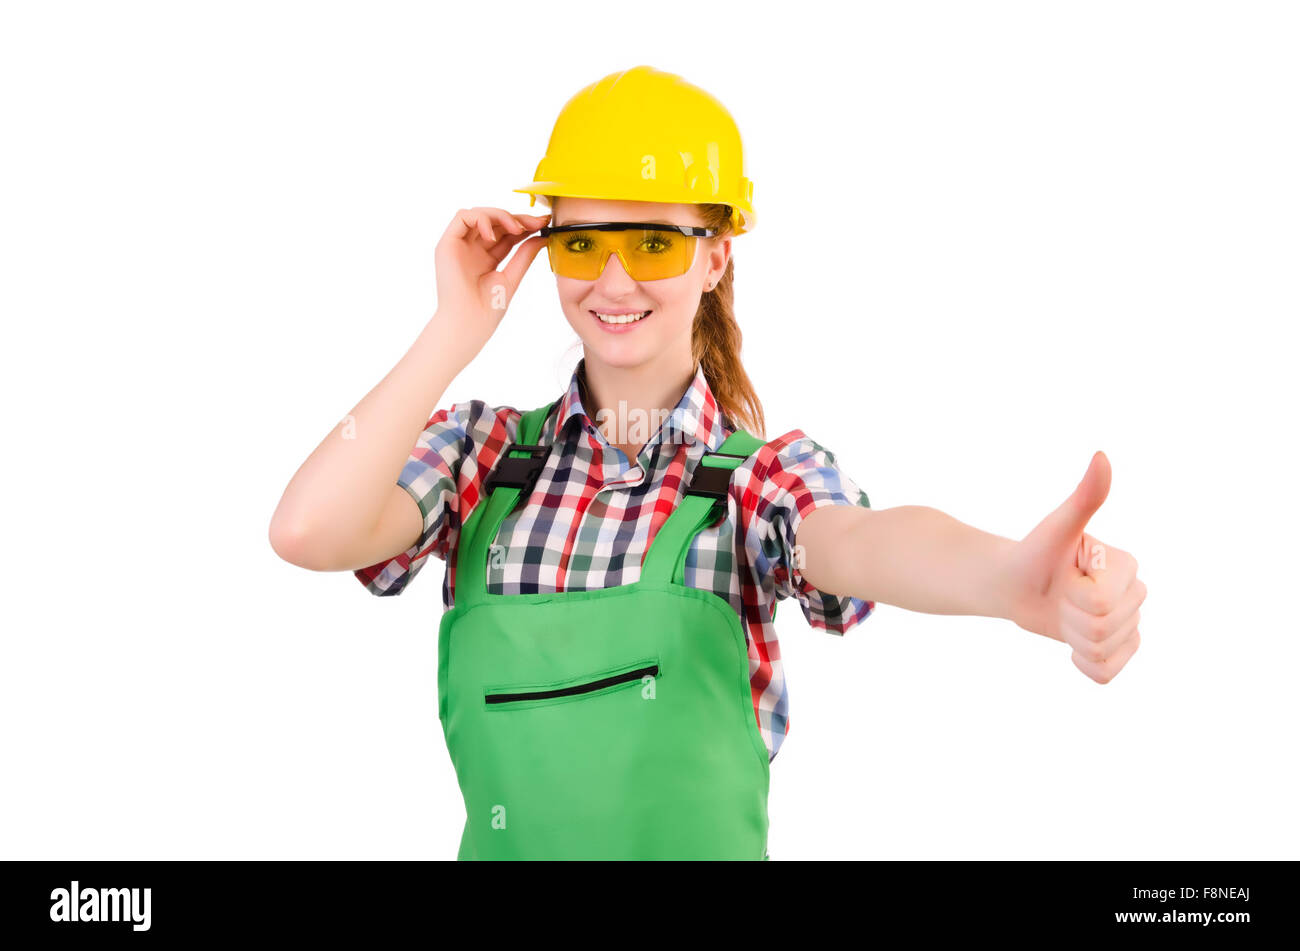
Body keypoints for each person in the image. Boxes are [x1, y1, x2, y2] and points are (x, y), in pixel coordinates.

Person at [269, 65, 1146, 860]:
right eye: (581, 244)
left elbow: (864, 542)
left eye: (653, 244)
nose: (613, 281)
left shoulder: (752, 485)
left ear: (716, 254)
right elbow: (308, 529)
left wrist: (1006, 578)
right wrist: (452, 330)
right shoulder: (480, 459)